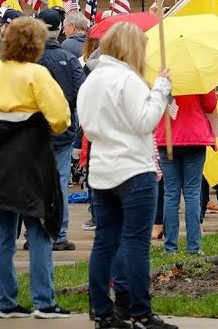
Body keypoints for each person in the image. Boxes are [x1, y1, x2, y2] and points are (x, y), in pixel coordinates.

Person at [0, 17, 71, 319]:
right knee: (39, 230)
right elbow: (60, 117)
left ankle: (4, 301)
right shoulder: (37, 74)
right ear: (36, 44)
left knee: (3, 233)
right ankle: (44, 300)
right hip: (32, 159)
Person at [78, 22, 175, 329]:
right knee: (135, 242)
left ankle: (103, 313)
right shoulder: (127, 79)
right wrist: (160, 90)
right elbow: (145, 121)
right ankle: (141, 312)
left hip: (102, 167)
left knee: (104, 242)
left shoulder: (91, 81)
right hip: (133, 166)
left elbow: (87, 124)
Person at [154, 49, 218, 257]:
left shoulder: (162, 73)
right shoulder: (198, 73)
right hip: (194, 136)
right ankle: (194, 246)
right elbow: (210, 104)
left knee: (171, 193)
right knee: (192, 192)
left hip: (169, 137)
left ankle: (170, 246)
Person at [34, 8, 85, 250]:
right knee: (60, 181)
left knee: (35, 181)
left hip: (36, 130)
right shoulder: (70, 59)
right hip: (63, 129)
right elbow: (80, 92)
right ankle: (59, 233)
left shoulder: (31, 60)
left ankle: (37, 232)